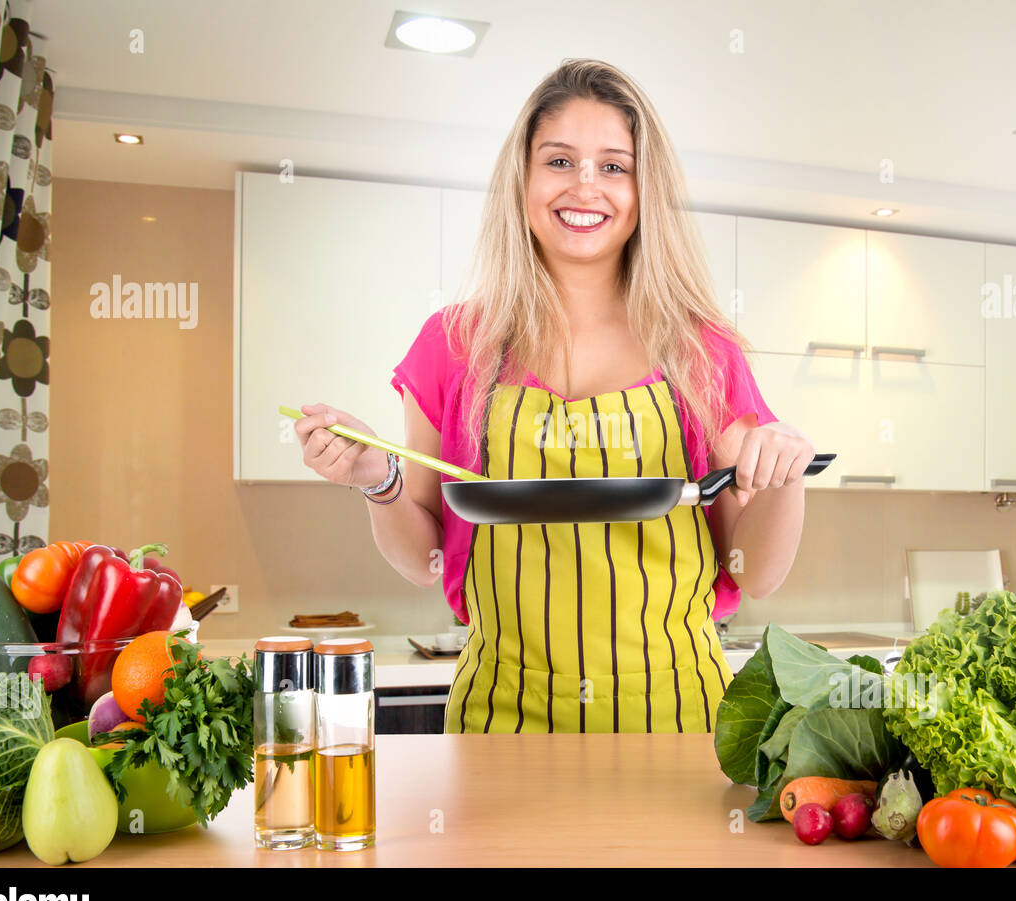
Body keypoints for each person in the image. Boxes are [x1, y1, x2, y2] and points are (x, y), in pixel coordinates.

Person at [294, 59, 814, 733]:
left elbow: (757, 571)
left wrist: (784, 475)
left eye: (614, 166)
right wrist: (377, 479)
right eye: (560, 160)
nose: (585, 186)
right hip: (500, 726)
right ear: (524, 179)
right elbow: (424, 560)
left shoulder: (701, 350)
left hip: (677, 723)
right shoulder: (454, 344)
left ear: (643, 189)